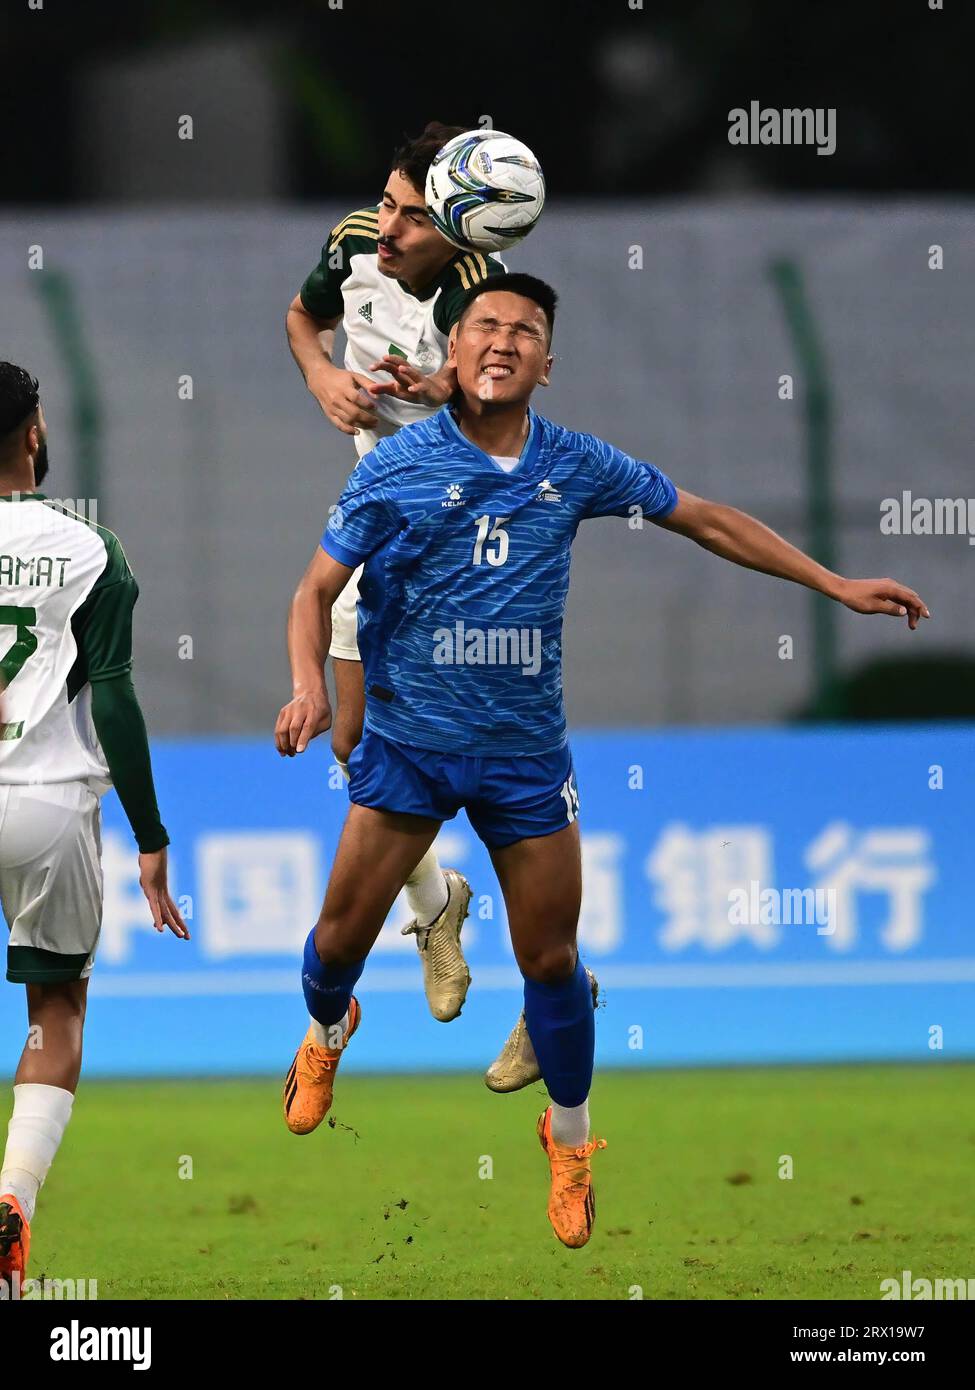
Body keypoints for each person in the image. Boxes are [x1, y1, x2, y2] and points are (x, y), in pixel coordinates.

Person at [274, 275, 928, 1246]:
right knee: (333, 950)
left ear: (547, 362)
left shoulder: (575, 464)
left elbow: (703, 516)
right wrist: (311, 683)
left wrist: (833, 582)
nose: (501, 340)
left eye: (524, 331)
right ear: (453, 352)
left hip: (526, 762)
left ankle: (570, 1141)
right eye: (484, 326)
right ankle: (328, 1032)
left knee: (553, 962)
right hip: (409, 751)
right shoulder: (397, 465)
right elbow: (315, 587)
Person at [0, 364, 188, 1292]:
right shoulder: (89, 549)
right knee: (56, 1011)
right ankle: (13, 1202)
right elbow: (112, 696)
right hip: (44, 801)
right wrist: (150, 837)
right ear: (34, 433)